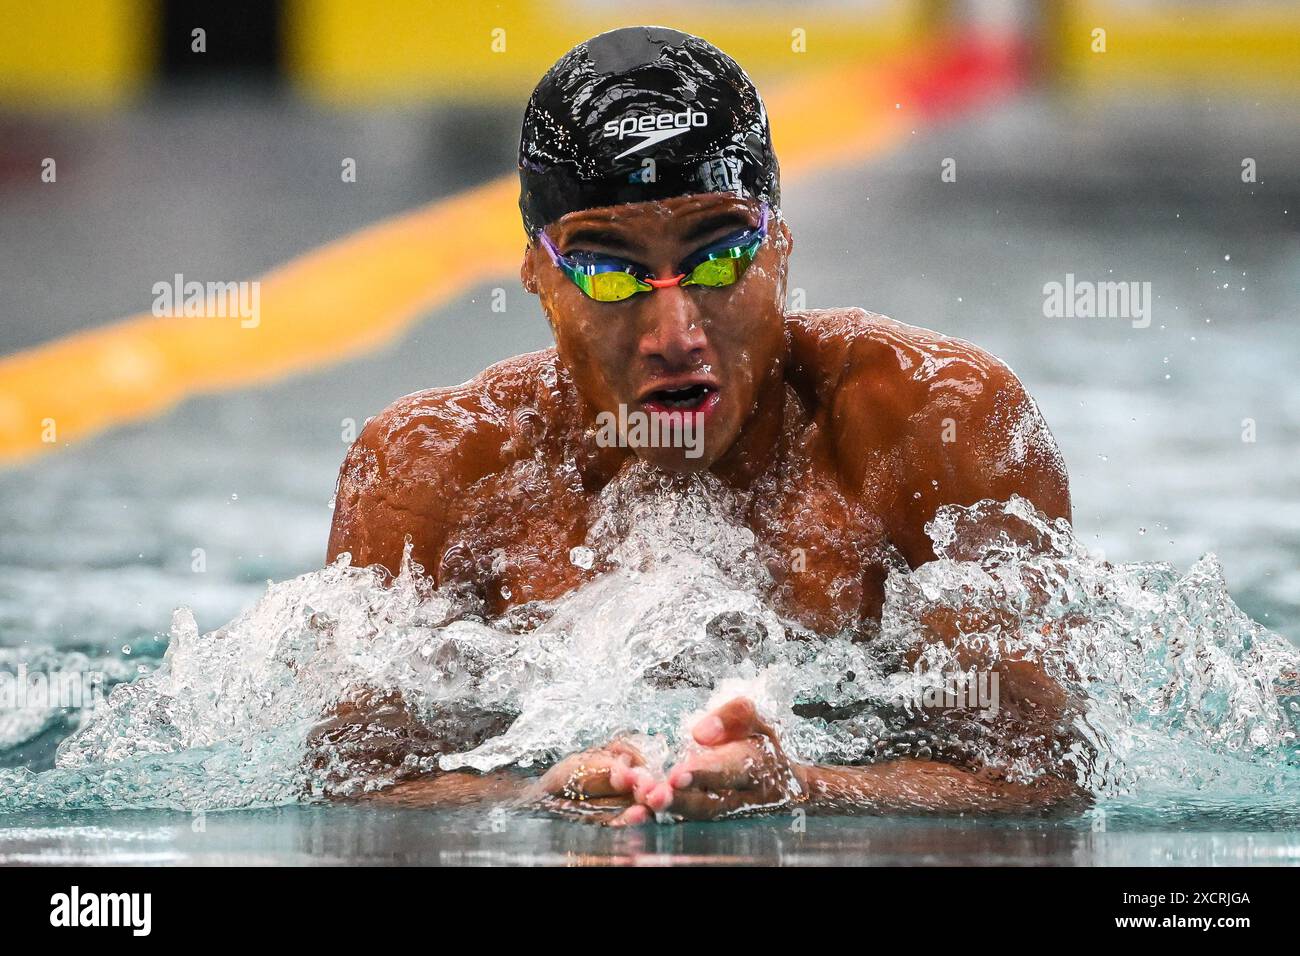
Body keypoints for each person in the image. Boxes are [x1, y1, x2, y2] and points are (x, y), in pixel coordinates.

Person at [323, 26, 1078, 823]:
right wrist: (528, 802)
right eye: (612, 272)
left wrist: (813, 791)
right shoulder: (433, 469)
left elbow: (1045, 784)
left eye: (718, 258)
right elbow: (349, 792)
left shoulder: (935, 424)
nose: (675, 333)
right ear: (538, 275)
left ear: (779, 246)